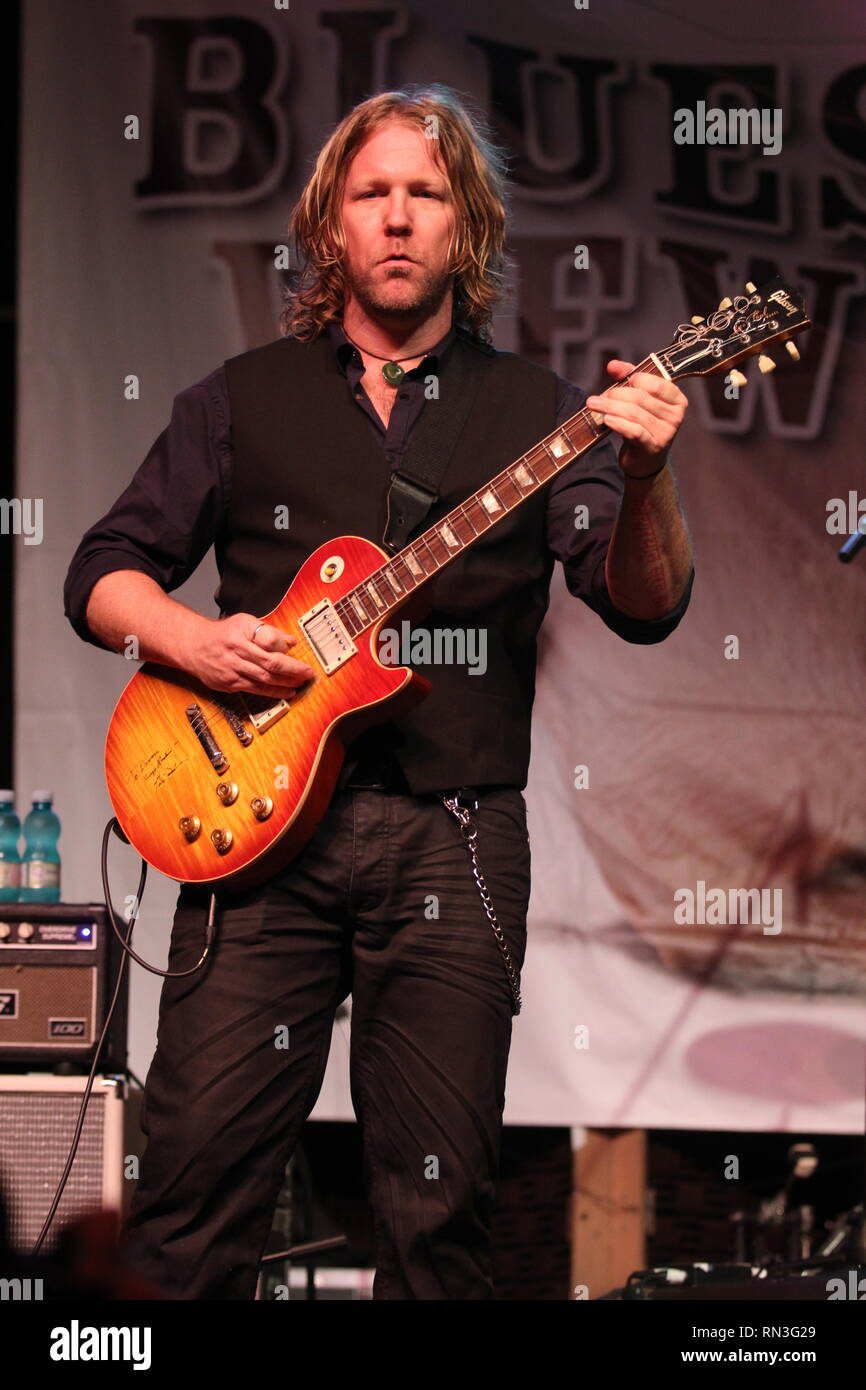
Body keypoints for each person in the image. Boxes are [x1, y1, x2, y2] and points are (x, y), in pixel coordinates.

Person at [64, 83, 694, 1300]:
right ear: (330, 224)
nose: (397, 218)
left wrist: (649, 475)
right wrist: (193, 642)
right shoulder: (241, 397)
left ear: (467, 225)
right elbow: (102, 572)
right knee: (190, 1202)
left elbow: (643, 603)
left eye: (425, 193)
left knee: (437, 1218)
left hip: (452, 834)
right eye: (371, 194)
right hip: (253, 837)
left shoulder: (539, 413)